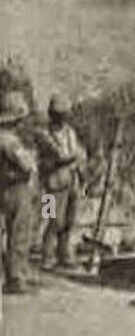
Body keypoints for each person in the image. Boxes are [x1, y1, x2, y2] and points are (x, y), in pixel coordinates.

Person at [34, 93, 86, 269]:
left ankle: (64, 254)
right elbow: (60, 155)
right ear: (52, 114)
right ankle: (47, 255)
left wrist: (77, 160)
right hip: (52, 183)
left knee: (69, 220)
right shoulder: (44, 134)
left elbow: (80, 153)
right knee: (53, 219)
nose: (62, 117)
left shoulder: (70, 132)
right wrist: (74, 157)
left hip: (72, 179)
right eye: (58, 114)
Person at [0, 92, 39, 293]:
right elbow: (27, 164)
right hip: (18, 189)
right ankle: (16, 277)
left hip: (8, 188)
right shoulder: (9, 140)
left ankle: (15, 273)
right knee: (20, 232)